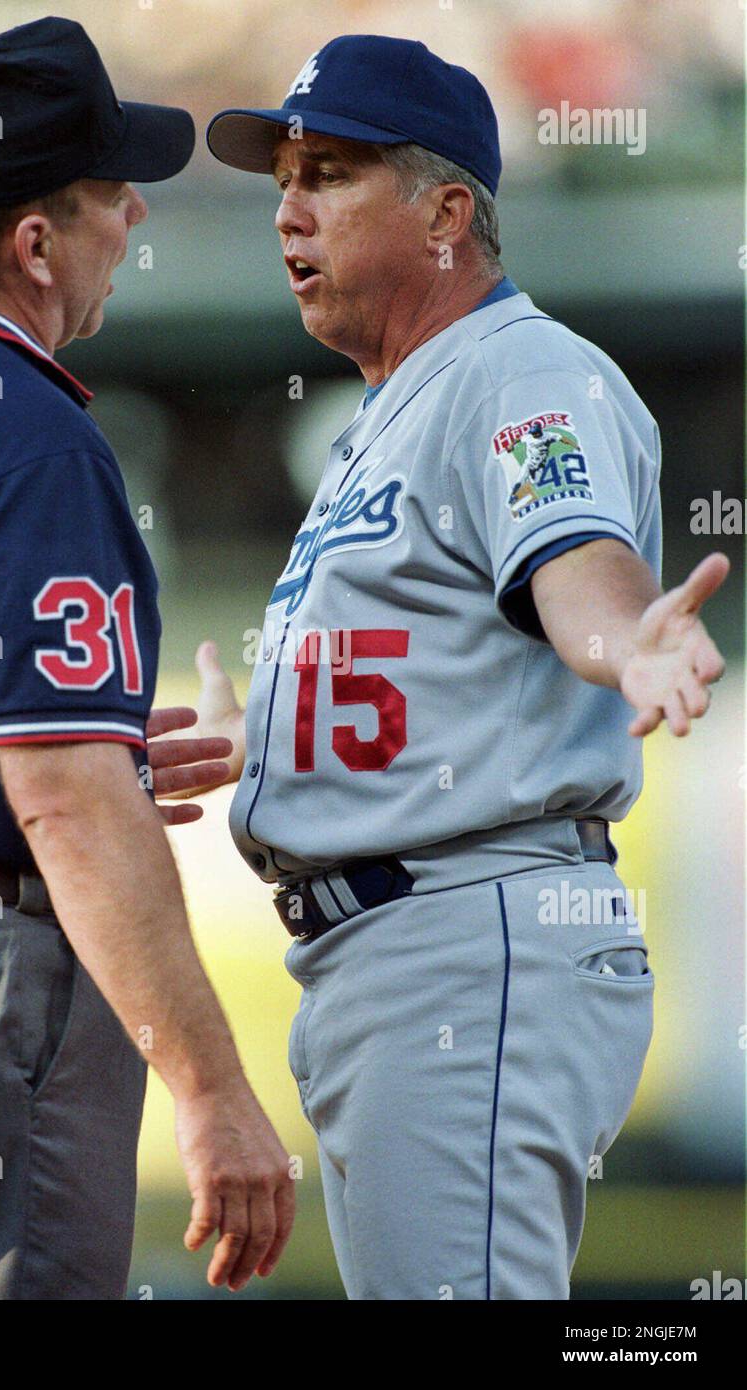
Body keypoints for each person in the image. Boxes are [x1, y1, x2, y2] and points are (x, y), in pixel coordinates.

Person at [180, 33, 729, 1299]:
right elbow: (439, 673)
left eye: (328, 172)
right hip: (407, 946)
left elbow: (579, 569)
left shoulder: (519, 370)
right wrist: (266, 736)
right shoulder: (394, 408)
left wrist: (627, 636)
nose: (287, 209)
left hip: (469, 936)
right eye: (282, 179)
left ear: (444, 214)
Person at [0, 17, 293, 1300]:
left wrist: (2, 740)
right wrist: (211, 1090)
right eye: (110, 193)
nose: (138, 214)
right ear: (32, 244)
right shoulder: (26, 435)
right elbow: (64, 799)